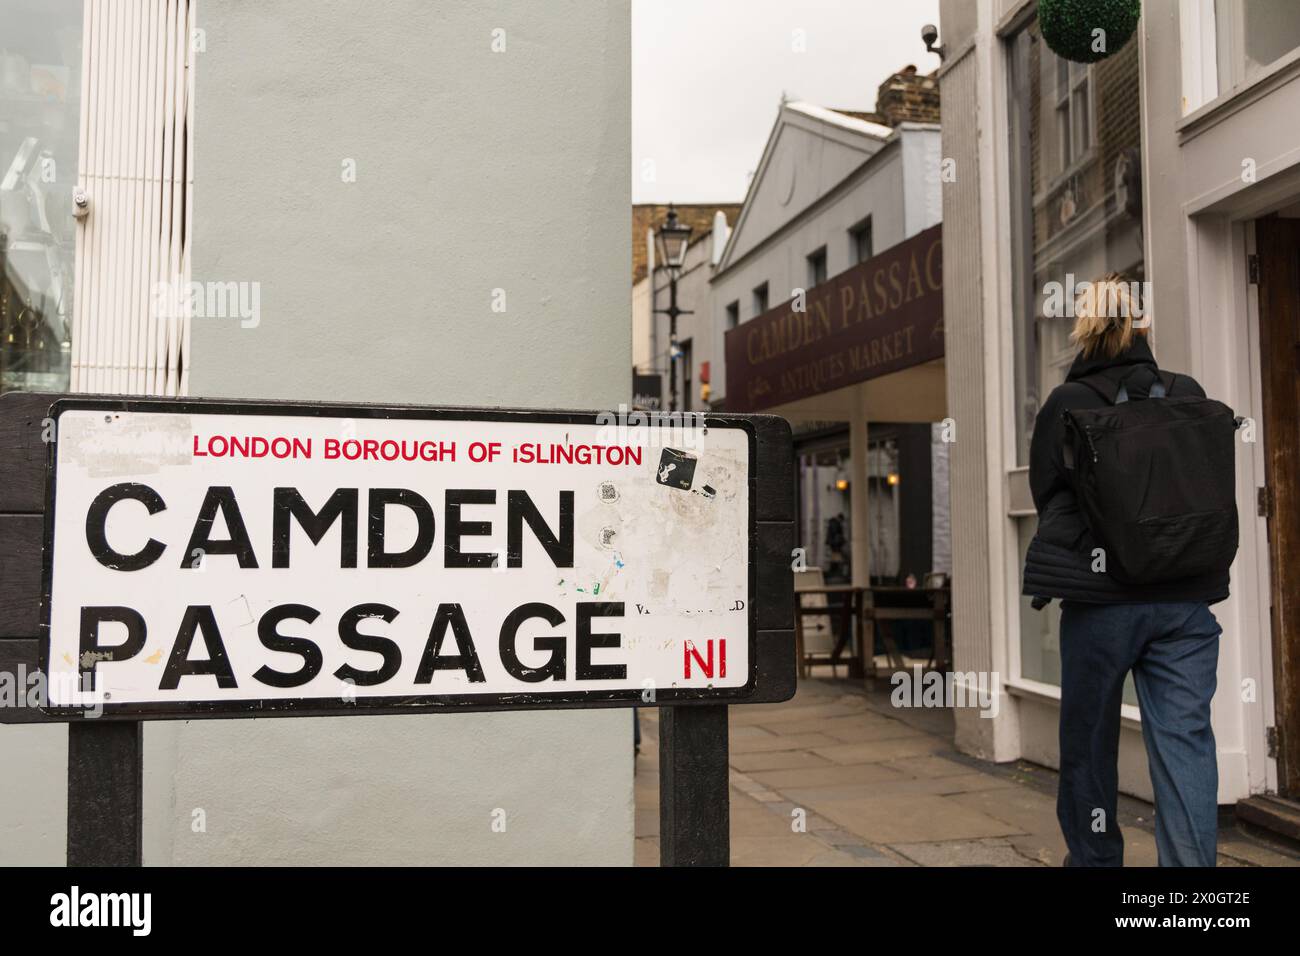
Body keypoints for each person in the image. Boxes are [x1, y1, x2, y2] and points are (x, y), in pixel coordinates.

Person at [1023, 274, 1229, 867]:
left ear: (1082, 326)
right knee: (1185, 740)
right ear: (1143, 325)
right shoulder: (1188, 391)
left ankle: (1095, 862)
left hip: (1101, 603)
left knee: (1089, 743)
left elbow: (1049, 494)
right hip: (1185, 601)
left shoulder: (1068, 403)